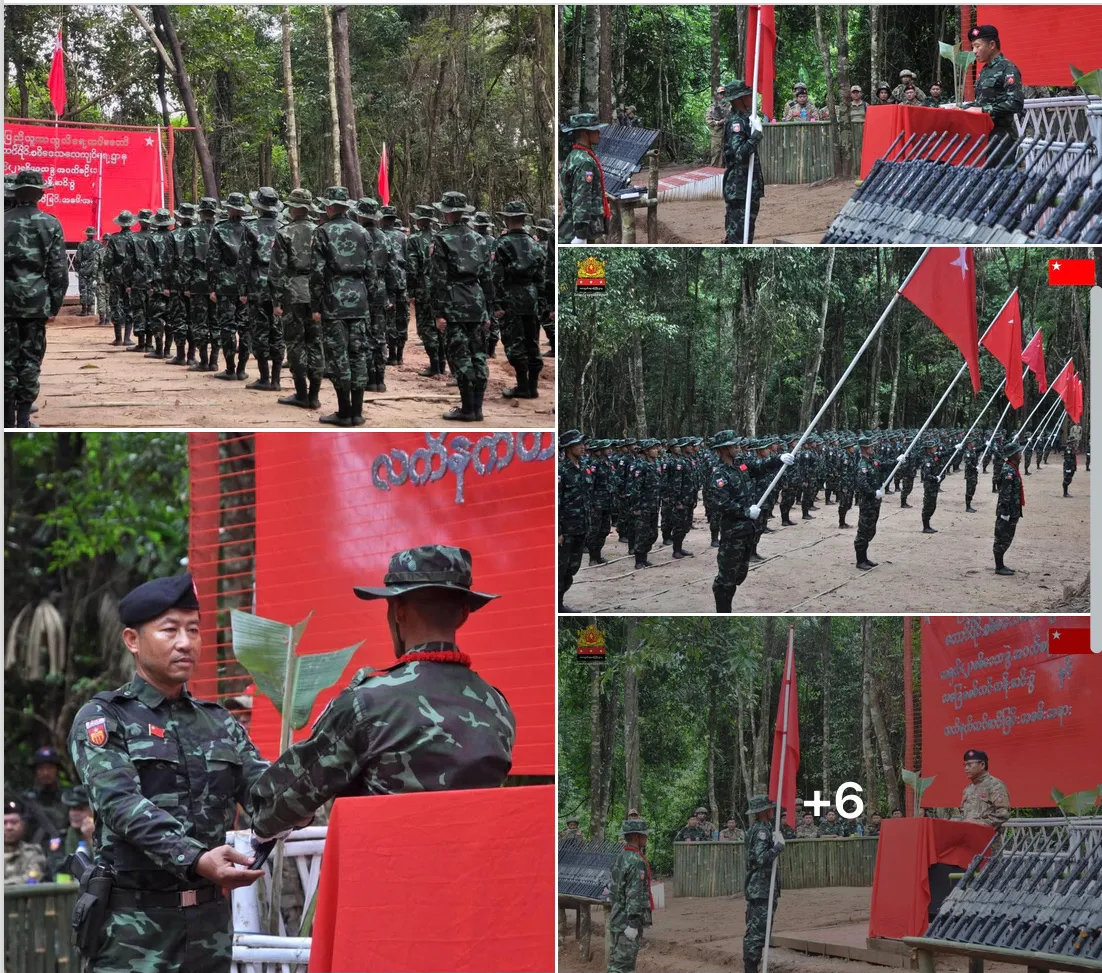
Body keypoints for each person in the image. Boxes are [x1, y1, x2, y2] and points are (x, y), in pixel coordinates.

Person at [68, 572, 270, 973]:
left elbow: (267, 795)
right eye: (170, 630)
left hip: (208, 931)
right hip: (132, 934)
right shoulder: (104, 718)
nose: (185, 643)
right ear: (132, 640)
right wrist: (196, 857)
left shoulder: (220, 723)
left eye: (193, 630)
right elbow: (120, 805)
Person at [249, 546, 516, 841]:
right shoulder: (498, 708)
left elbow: (277, 805)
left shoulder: (368, 703)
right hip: (473, 882)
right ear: (464, 614)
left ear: (398, 611)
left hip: (386, 879)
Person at [4, 170, 67, 428]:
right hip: (35, 303)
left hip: (4, 301)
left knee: (6, 358)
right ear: (41, 193)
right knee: (30, 359)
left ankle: (6, 418)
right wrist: (54, 305)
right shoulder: (50, 224)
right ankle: (23, 419)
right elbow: (58, 271)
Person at [310, 186, 375, 426]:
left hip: (333, 300)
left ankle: (344, 412)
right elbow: (371, 272)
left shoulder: (323, 232)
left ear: (328, 207)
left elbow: (317, 273)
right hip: (359, 299)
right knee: (358, 354)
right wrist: (370, 300)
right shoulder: (362, 232)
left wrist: (315, 305)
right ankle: (357, 412)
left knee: (338, 356)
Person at [430, 191, 495, 422]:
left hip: (453, 300)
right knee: (478, 354)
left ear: (447, 213)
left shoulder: (441, 239)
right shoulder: (480, 239)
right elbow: (487, 278)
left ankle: (468, 409)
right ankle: (477, 408)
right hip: (476, 301)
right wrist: (488, 310)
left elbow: (437, 279)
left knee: (460, 356)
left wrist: (438, 313)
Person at [271, 187, 322, 411]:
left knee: (295, 343)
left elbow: (276, 270)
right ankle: (314, 395)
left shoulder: (285, 233)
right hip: (317, 293)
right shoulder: (320, 231)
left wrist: (276, 300)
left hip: (293, 292)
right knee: (315, 343)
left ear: (292, 208)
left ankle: (302, 393)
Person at [493, 200, 545, 401]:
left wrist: (497, 303)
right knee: (532, 341)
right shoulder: (535, 244)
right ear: (524, 220)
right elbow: (541, 277)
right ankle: (532, 386)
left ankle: (523, 385)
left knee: (514, 342)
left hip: (510, 298)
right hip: (531, 298)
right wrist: (542, 302)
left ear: (506, 219)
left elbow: (496, 276)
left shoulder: (502, 244)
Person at [208, 191, 255, 381]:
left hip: (225, 284)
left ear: (229, 209)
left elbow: (212, 261)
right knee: (245, 326)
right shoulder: (251, 229)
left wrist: (213, 286)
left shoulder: (219, 230)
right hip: (247, 285)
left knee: (227, 326)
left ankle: (230, 368)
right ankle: (242, 369)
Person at [721, 80, 765, 243]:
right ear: (740, 98)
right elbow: (740, 153)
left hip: (747, 187)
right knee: (738, 238)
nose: (751, 98)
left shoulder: (745, 119)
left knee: (746, 235)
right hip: (739, 188)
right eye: (748, 95)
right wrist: (756, 136)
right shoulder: (736, 123)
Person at [743, 795, 784, 973]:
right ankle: (751, 968)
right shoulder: (761, 831)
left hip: (760, 887)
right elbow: (761, 859)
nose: (772, 810)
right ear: (764, 811)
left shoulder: (758, 828)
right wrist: (777, 848)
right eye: (769, 808)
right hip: (761, 888)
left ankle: (753, 966)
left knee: (757, 929)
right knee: (757, 932)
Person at [609, 818, 653, 973]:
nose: (646, 838)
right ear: (636, 837)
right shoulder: (636, 861)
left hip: (617, 916)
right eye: (644, 835)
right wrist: (633, 923)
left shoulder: (620, 857)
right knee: (623, 966)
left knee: (616, 960)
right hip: (627, 919)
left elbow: (613, 888)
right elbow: (634, 893)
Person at [966, 25, 1024, 141]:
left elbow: (1016, 103)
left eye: (977, 46)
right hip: (982, 135)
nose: (974, 51)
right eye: (973, 47)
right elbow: (982, 102)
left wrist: (984, 110)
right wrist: (962, 108)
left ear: (992, 45)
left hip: (1002, 137)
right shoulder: (985, 70)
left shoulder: (1008, 69)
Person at [558, 113, 610, 244]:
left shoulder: (574, 155)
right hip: (578, 228)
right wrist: (581, 234)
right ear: (586, 133)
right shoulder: (585, 161)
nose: (599, 133)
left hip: (574, 224)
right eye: (595, 130)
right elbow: (582, 197)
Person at [407, 205, 444, 377]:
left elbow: (412, 268)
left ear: (420, 220)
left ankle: (435, 365)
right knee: (440, 326)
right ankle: (442, 364)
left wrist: (411, 291)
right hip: (441, 287)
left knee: (426, 328)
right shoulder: (439, 237)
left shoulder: (414, 239)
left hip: (423, 288)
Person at [559, 429, 591, 612]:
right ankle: (557, 605)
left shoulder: (584, 467)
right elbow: (557, 502)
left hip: (581, 526)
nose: (583, 447)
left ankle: (560, 602)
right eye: (579, 444)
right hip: (567, 530)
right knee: (561, 569)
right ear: (568, 448)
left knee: (573, 568)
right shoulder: (561, 471)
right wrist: (559, 532)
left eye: (583, 443)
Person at [46, 785, 97, 880]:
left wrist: (91, 838)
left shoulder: (104, 836)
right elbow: (55, 867)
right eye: (72, 808)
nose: (74, 813)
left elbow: (104, 865)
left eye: (80, 809)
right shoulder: (61, 838)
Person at [626, 439, 662, 569]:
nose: (656, 450)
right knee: (642, 533)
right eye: (653, 448)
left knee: (653, 534)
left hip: (654, 505)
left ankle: (644, 557)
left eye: (657, 448)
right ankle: (639, 560)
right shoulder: (640, 465)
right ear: (646, 451)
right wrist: (636, 506)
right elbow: (635, 488)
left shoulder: (656, 463)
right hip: (643, 506)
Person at [22, 745, 69, 843]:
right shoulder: (27, 798)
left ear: (57, 770)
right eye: (41, 769)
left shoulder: (67, 797)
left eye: (50, 768)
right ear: (36, 771)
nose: (45, 773)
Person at [854, 434, 884, 570]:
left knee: (870, 530)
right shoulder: (863, 464)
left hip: (874, 502)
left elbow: (882, 466)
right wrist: (873, 493)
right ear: (865, 448)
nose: (873, 448)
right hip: (867, 502)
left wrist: (897, 460)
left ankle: (865, 558)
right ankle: (860, 560)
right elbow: (862, 483)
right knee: (863, 530)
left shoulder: (872, 461)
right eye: (870, 446)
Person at [994, 441, 1023, 575]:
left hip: (1012, 509)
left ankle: (1001, 564)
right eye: (1018, 453)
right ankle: (999, 567)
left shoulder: (1012, 468)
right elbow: (1005, 493)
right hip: (1007, 510)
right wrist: (1005, 512)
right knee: (1002, 537)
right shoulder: (1008, 471)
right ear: (1013, 455)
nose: (1020, 454)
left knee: (1007, 537)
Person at [960, 749, 1010, 827]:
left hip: (988, 838)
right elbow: (963, 814)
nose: (966, 768)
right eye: (965, 765)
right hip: (969, 837)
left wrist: (980, 825)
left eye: (969, 765)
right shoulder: (968, 789)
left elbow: (1003, 814)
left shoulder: (995, 785)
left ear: (982, 765)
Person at [585, 439, 614, 565]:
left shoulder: (609, 463)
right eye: (607, 448)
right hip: (596, 503)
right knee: (594, 531)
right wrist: (590, 503)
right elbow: (589, 485)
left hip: (607, 502)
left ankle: (598, 555)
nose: (610, 450)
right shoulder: (594, 464)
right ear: (601, 450)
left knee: (604, 530)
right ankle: (593, 557)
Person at [4, 799, 47, 885]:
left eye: (14, 822)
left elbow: (32, 877)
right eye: (4, 823)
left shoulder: (33, 852)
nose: (9, 827)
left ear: (23, 825)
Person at [75, 226, 103, 317]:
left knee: (83, 289)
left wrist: (77, 269)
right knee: (92, 289)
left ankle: (84, 310)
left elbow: (78, 258)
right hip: (94, 268)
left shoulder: (82, 244)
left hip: (83, 269)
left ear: (87, 234)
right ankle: (90, 309)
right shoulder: (99, 244)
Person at [920, 438, 941, 533]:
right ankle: (925, 526)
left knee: (932, 506)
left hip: (934, 486)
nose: (935, 448)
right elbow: (927, 476)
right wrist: (935, 478)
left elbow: (943, 455)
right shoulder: (927, 460)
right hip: (929, 486)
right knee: (928, 505)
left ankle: (928, 525)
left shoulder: (933, 457)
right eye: (933, 447)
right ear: (929, 449)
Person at [706, 89, 730, 167]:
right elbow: (708, 120)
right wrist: (718, 122)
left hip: (727, 134)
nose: (722, 95)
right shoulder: (712, 107)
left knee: (726, 155)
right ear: (718, 95)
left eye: (724, 93)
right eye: (720, 94)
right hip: (716, 135)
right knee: (715, 154)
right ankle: (713, 173)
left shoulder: (730, 106)